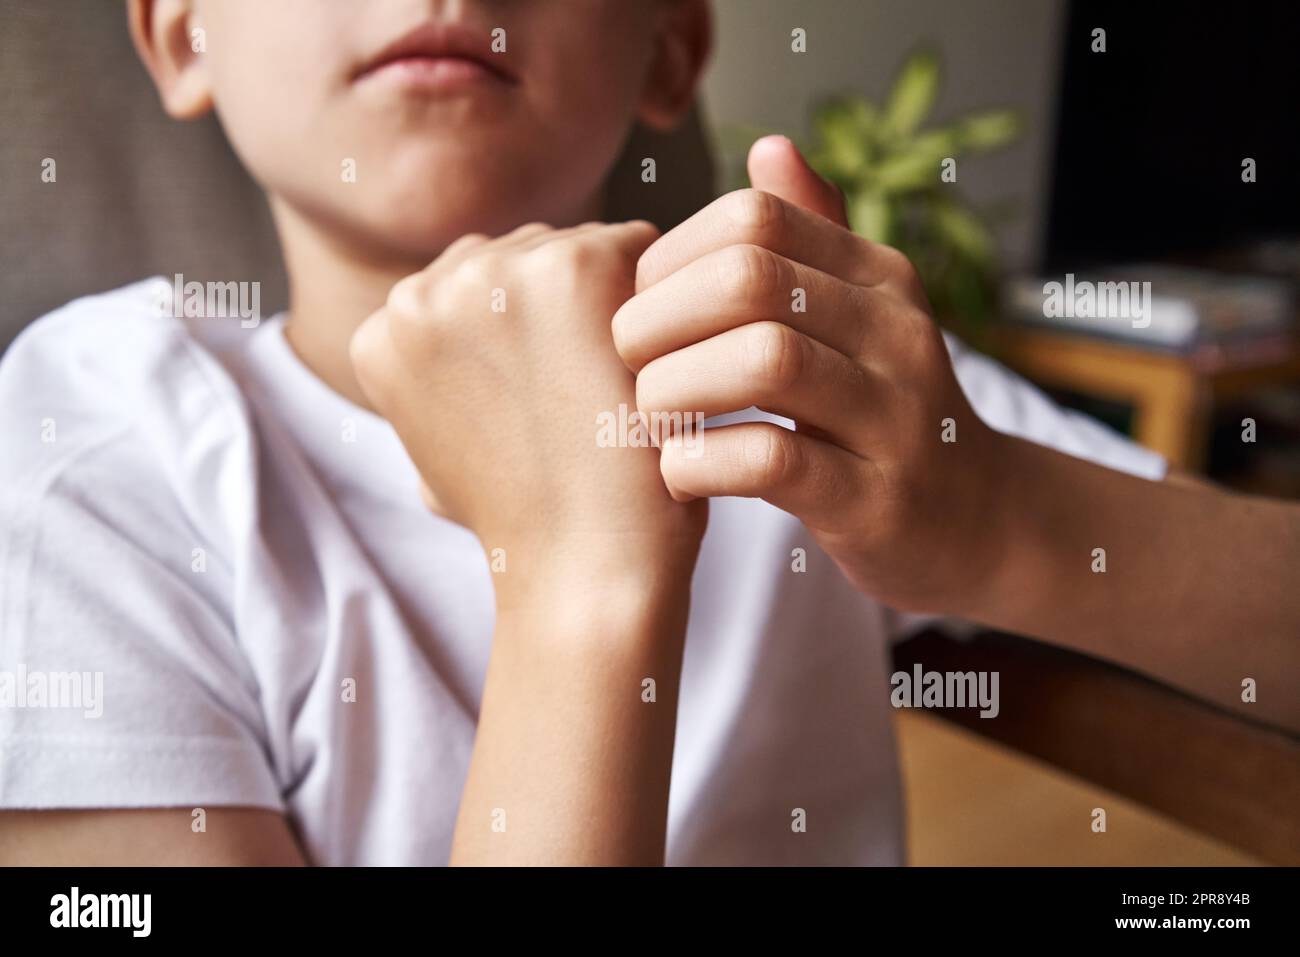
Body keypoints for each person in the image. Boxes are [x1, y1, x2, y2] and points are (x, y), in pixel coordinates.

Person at [0, 0, 1294, 866]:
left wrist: (1003, 518)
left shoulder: (797, 360)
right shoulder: (101, 446)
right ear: (181, 37)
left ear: (672, 48)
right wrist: (581, 572)